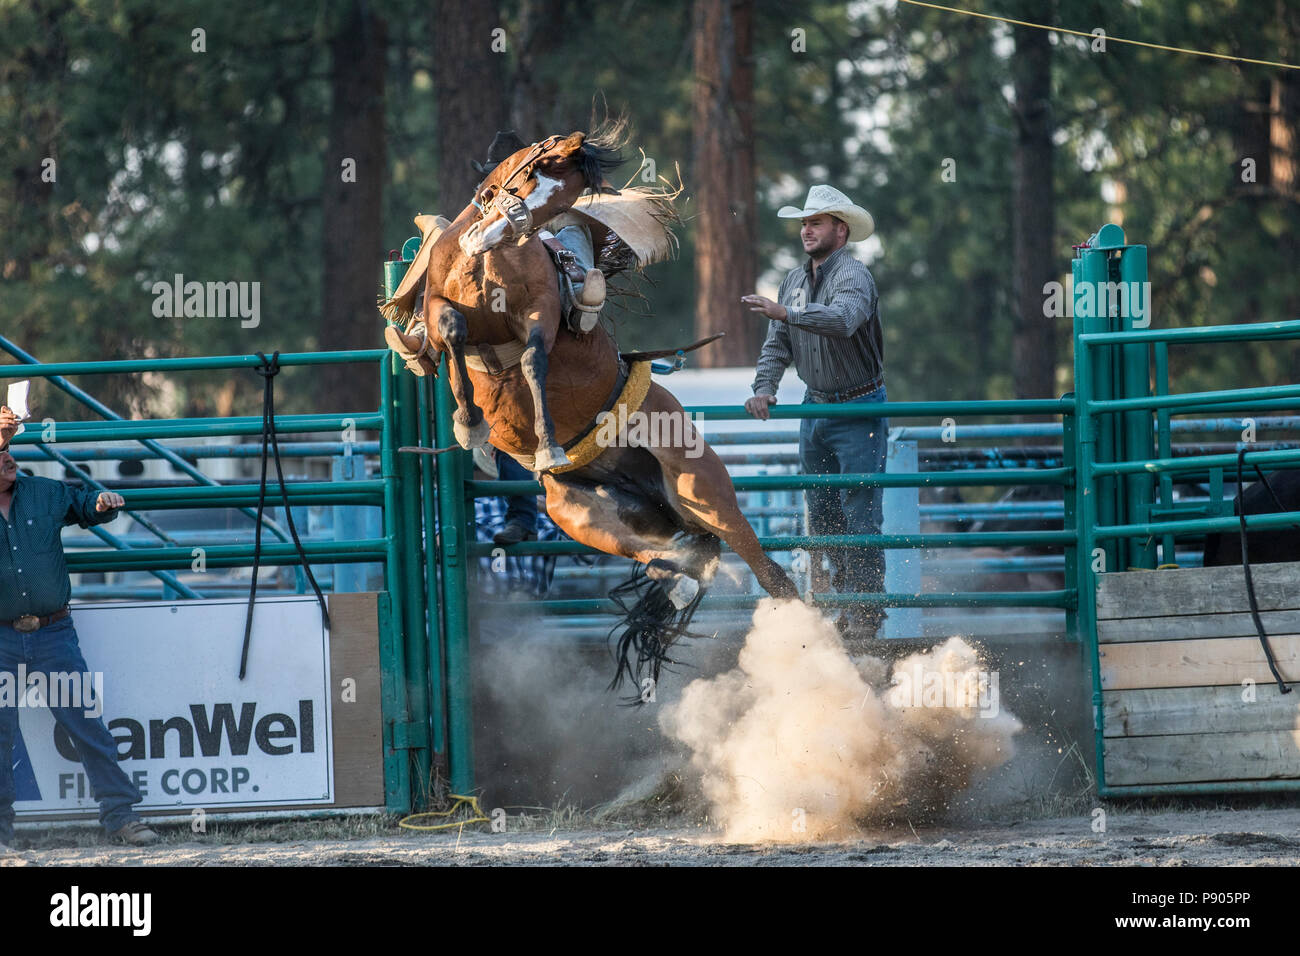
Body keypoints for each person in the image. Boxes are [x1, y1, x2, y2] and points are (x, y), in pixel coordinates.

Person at [0, 406, 159, 850]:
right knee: (0, 734)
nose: (8, 457)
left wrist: (102, 503)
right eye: (0, 453)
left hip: (50, 632)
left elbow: (84, 505)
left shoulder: (44, 493)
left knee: (86, 725)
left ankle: (121, 816)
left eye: (9, 451)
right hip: (5, 636)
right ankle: (2, 832)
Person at [742, 184, 888, 640]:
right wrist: (764, 387)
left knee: (860, 514)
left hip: (858, 406)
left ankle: (864, 613)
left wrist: (786, 313)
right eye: (804, 222)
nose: (806, 230)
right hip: (817, 407)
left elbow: (843, 320)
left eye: (816, 222)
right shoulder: (792, 279)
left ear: (840, 232)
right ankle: (841, 604)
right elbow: (777, 345)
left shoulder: (854, 276)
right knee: (822, 515)